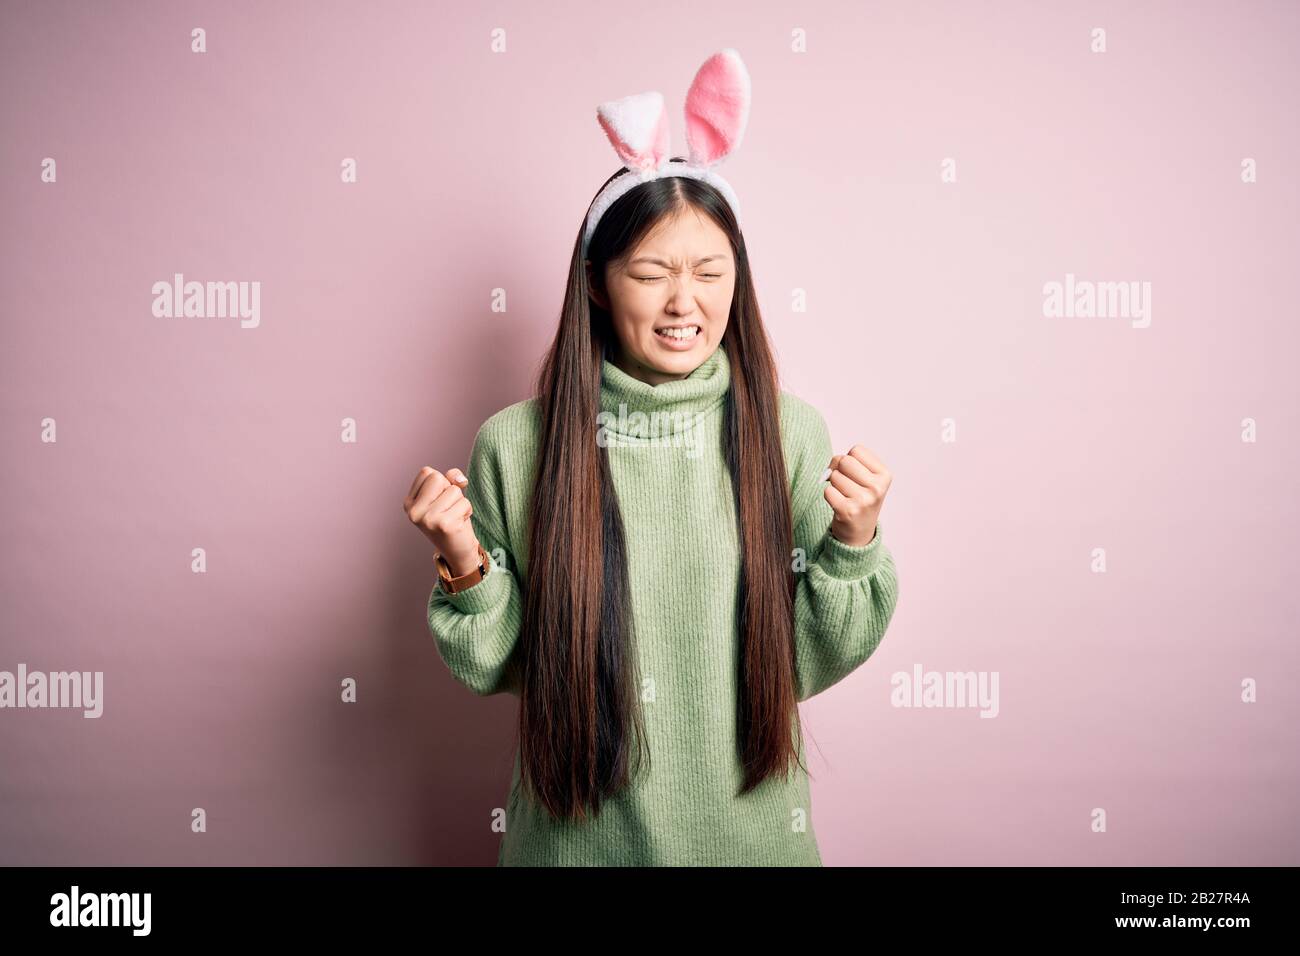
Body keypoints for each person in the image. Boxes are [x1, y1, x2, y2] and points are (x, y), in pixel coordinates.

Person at [402, 49, 899, 866]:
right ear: (597, 284)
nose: (685, 302)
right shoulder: (515, 445)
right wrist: (461, 558)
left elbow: (802, 664)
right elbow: (502, 666)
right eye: (651, 272)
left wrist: (853, 544)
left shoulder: (789, 434)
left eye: (710, 271)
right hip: (572, 845)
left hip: (750, 843)